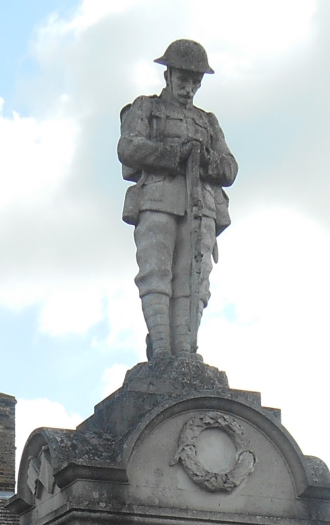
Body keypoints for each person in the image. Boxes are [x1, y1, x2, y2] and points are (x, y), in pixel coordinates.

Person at [118, 39, 238, 362]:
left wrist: (204, 160)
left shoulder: (208, 121)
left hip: (201, 207)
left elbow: (230, 167)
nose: (189, 88)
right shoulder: (147, 108)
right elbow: (128, 149)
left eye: (195, 81)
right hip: (157, 198)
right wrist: (175, 155)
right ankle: (161, 350)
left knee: (194, 281)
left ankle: (185, 353)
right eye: (184, 79)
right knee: (156, 275)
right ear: (168, 75)